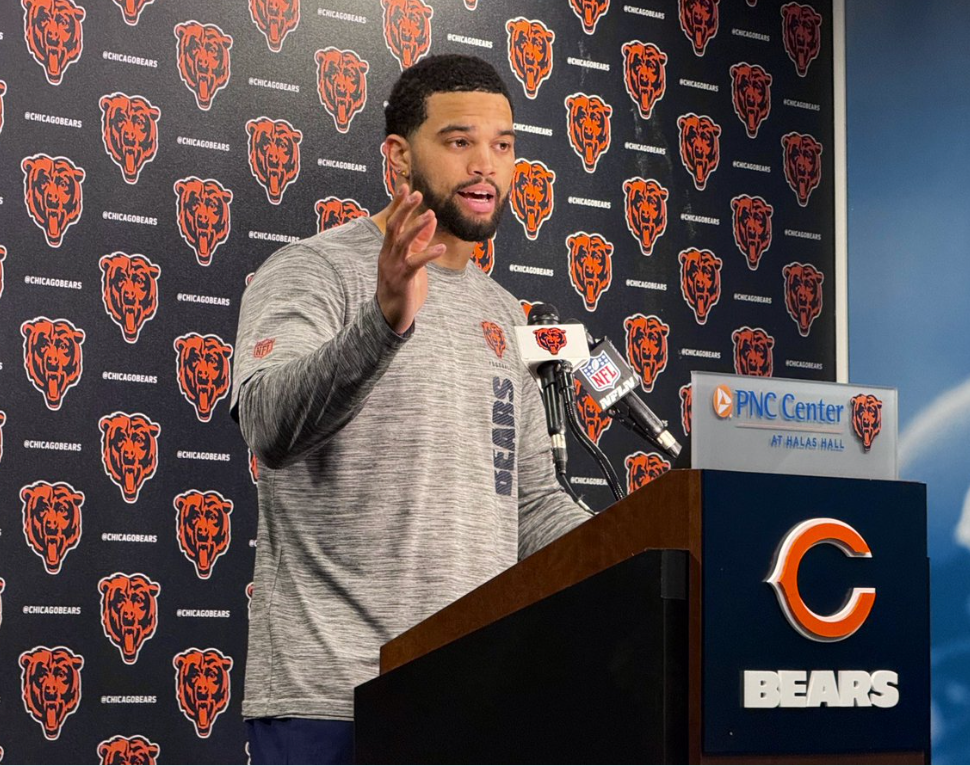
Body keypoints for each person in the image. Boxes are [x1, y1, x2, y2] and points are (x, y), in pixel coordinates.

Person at [231, 54, 592, 765]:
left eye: (503, 144)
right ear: (399, 156)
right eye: (459, 141)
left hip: (468, 697)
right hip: (334, 700)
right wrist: (383, 322)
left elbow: (530, 505)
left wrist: (654, 542)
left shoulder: (503, 312)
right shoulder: (312, 270)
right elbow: (269, 426)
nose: (486, 165)